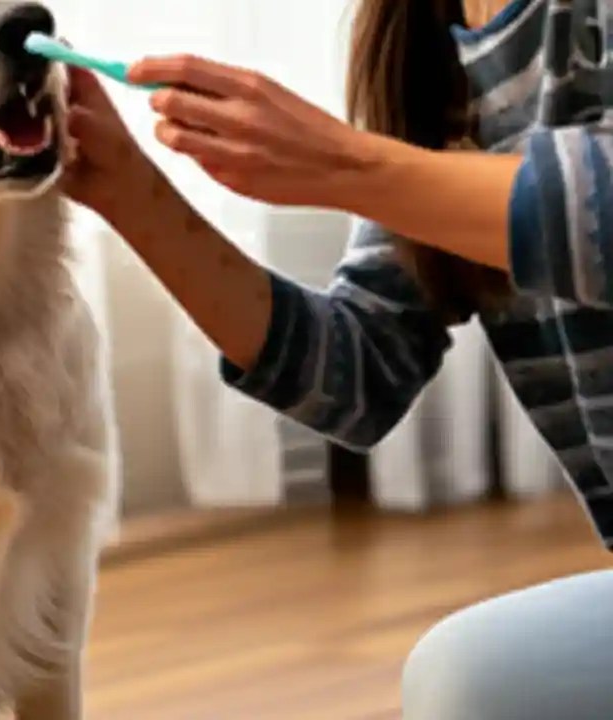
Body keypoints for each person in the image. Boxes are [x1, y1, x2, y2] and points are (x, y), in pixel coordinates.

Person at [63, 0, 613, 718]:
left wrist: (341, 164)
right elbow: (353, 378)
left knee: (469, 680)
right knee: (472, 681)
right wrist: (129, 191)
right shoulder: (421, 42)